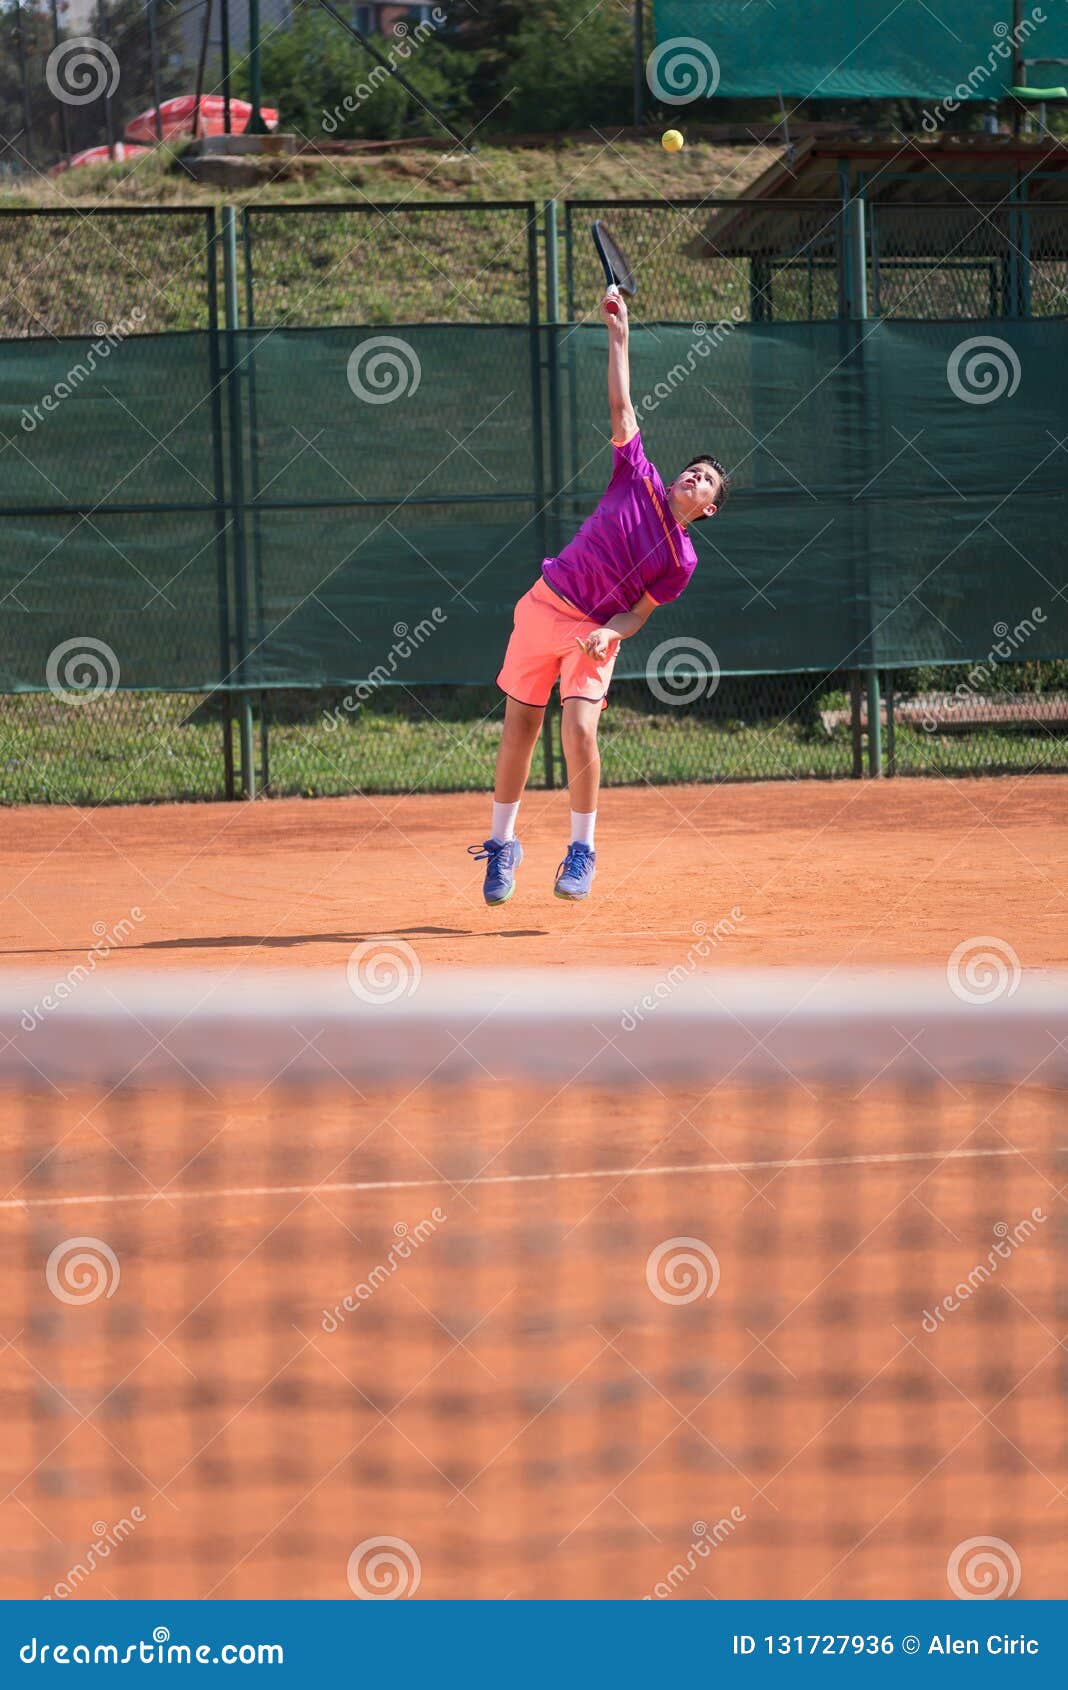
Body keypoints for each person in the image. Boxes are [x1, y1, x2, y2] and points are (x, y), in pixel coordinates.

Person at [469, 290, 729, 905]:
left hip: (593, 630)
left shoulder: (681, 560)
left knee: (580, 731)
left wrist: (612, 632)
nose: (694, 475)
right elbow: (621, 402)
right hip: (543, 605)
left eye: (707, 480)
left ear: (709, 507)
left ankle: (581, 851)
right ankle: (502, 845)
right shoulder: (634, 473)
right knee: (520, 728)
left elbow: (637, 613)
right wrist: (620, 336)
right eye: (692, 469)